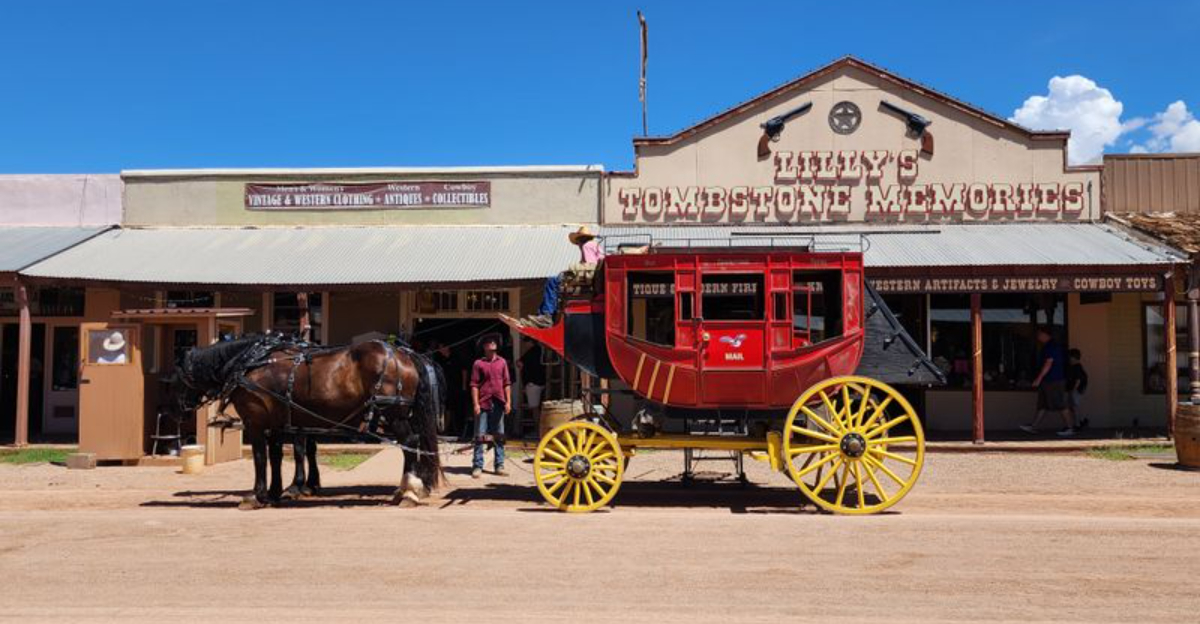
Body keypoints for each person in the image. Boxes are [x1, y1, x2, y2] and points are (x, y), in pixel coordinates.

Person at [529, 226, 606, 325]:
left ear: (580, 239)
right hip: (587, 278)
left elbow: (590, 267)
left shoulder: (587, 246)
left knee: (552, 281)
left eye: (578, 241)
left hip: (584, 281)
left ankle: (546, 315)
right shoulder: (596, 245)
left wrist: (572, 270)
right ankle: (542, 315)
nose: (578, 244)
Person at [470, 333, 511, 478]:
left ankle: (499, 465)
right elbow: (474, 385)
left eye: (494, 342)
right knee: (480, 436)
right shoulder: (478, 364)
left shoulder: (502, 362)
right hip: (483, 402)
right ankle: (477, 465)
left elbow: (507, 383)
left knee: (499, 435)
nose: (492, 344)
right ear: (484, 347)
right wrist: (475, 404)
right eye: (489, 343)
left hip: (499, 402)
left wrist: (508, 402)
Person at [1020, 327, 1074, 436]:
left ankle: (1070, 428)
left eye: (1040, 334)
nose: (1038, 337)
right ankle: (1033, 426)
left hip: (1055, 380)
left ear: (1046, 335)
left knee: (1061, 404)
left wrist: (1038, 379)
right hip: (1047, 380)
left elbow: (1048, 363)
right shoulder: (1048, 346)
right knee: (1042, 405)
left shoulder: (1051, 346)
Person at [517, 343, 547, 429]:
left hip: (532, 383)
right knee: (540, 407)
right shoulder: (540, 350)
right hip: (541, 382)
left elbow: (519, 363)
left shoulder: (531, 352)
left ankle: (538, 430)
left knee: (535, 408)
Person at [1066, 348, 1089, 431]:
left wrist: (1073, 390)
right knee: (1074, 407)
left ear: (1073, 358)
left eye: (1070, 357)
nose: (1069, 359)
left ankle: (1078, 424)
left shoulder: (1077, 367)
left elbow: (1078, 380)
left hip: (1076, 390)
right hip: (1076, 390)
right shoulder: (1076, 367)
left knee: (1075, 407)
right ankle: (1081, 421)